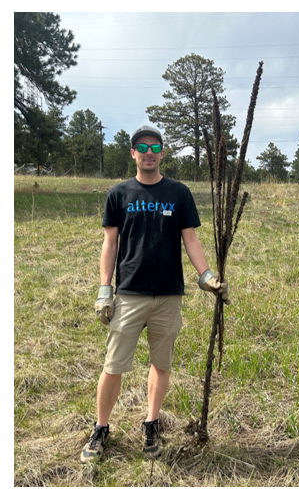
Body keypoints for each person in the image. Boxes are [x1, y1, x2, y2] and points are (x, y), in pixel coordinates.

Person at [80, 124, 228, 464]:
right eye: (142, 147)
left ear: (162, 153)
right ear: (133, 153)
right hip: (130, 292)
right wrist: (105, 289)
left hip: (169, 294)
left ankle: (151, 423)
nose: (149, 152)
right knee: (114, 365)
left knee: (161, 364)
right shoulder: (119, 194)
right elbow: (110, 243)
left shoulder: (178, 193)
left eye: (155, 147)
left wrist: (205, 275)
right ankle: (101, 428)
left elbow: (190, 239)